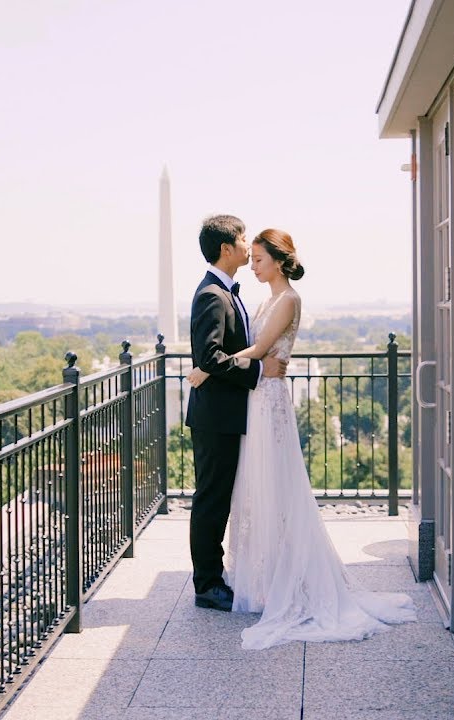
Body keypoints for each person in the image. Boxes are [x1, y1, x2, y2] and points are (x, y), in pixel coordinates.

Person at [187, 228, 417, 649]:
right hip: (253, 400)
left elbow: (257, 351)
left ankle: (276, 575)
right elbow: (241, 351)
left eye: (258, 258)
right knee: (245, 491)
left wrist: (206, 368)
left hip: (266, 400)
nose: (252, 262)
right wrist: (215, 365)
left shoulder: (287, 299)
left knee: (273, 486)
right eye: (248, 254)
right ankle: (252, 575)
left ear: (277, 260)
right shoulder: (245, 296)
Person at [185, 214, 286, 613]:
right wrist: (260, 370)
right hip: (215, 418)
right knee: (211, 499)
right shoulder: (212, 294)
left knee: (220, 497)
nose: (248, 246)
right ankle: (207, 584)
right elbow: (209, 357)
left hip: (228, 414)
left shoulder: (227, 291)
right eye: (243, 239)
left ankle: (214, 576)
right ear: (227, 248)